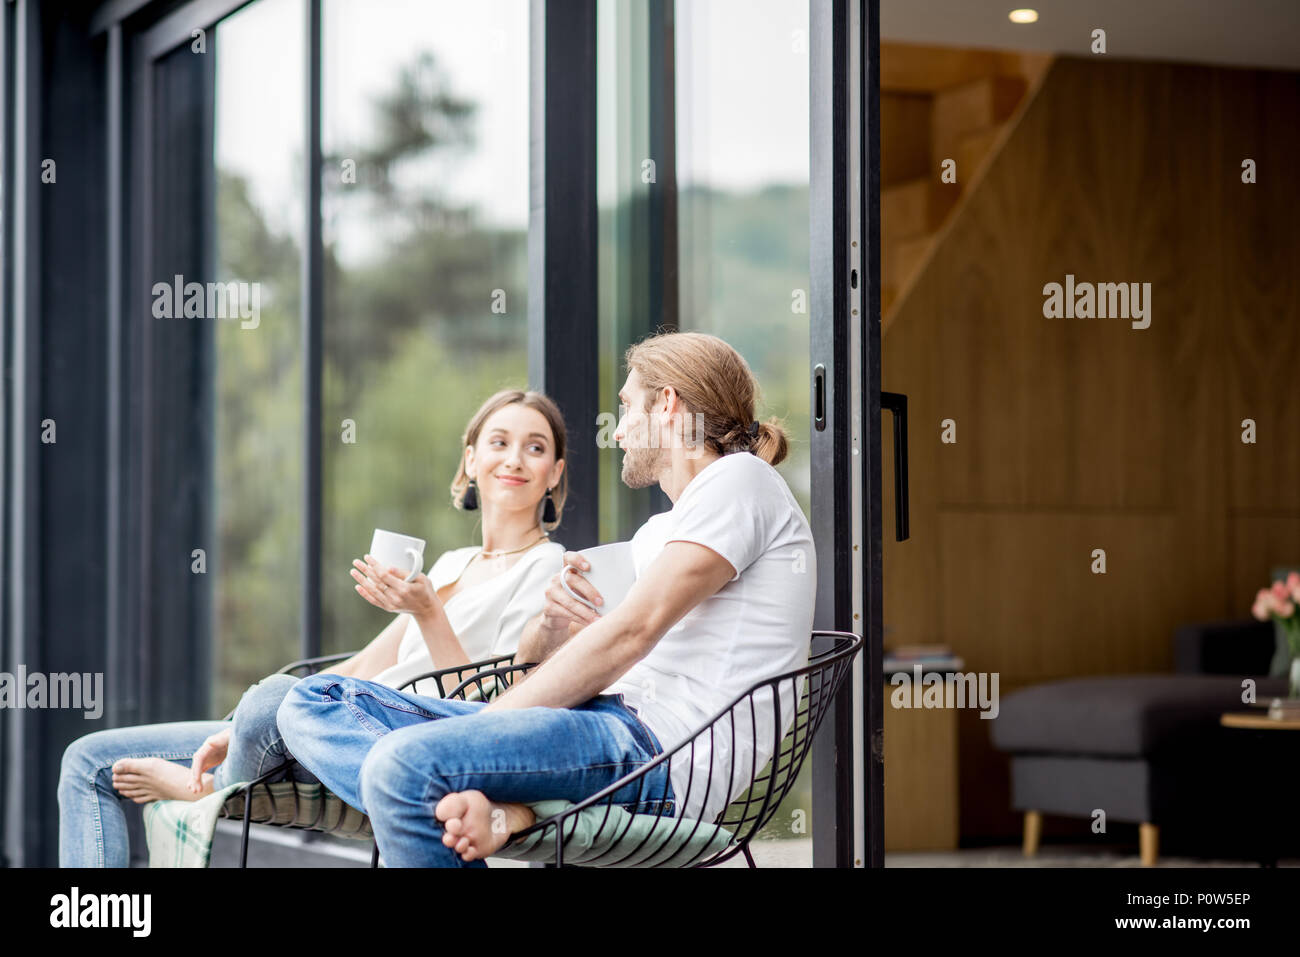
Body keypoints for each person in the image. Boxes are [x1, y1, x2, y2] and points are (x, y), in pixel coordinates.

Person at [277, 331, 816, 867]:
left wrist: (485, 726)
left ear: (668, 404)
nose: (620, 430)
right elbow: (571, 657)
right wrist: (550, 627)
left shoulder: (741, 481)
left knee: (401, 767)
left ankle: (443, 793)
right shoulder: (664, 530)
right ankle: (475, 801)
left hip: (653, 753)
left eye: (627, 407)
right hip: (595, 726)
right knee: (311, 701)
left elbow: (631, 633)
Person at [57, 389, 569, 867]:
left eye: (535, 448)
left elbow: (492, 714)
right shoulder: (452, 562)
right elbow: (369, 664)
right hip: (329, 725)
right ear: (470, 460)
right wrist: (238, 727)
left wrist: (429, 614)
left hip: (389, 741)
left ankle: (211, 787)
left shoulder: (548, 568)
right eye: (499, 442)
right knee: (86, 760)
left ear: (554, 473)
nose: (515, 459)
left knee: (277, 696)